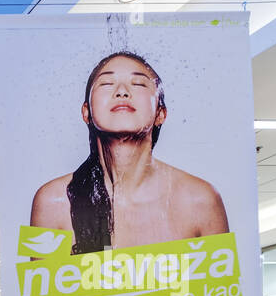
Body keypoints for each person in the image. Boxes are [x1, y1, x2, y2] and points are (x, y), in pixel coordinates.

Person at [30, 51, 228, 255]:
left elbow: (223, 286)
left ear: (161, 113)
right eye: (106, 83)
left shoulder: (202, 199)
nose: (122, 91)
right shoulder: (49, 201)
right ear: (86, 112)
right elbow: (39, 285)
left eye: (139, 84)